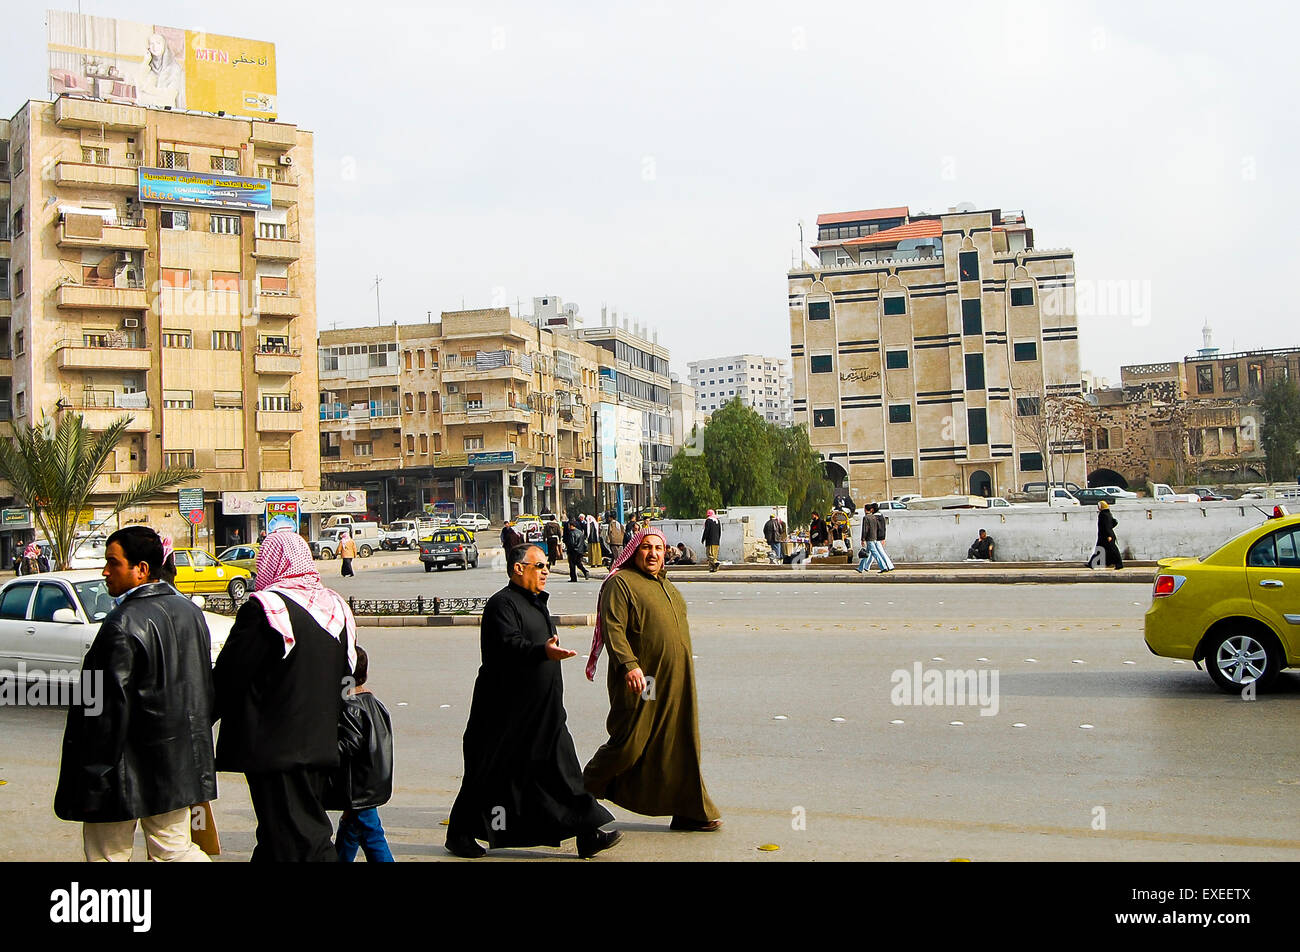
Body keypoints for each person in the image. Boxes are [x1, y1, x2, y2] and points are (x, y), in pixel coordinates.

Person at [446, 544, 621, 859]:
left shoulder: (535, 603)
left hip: (545, 711)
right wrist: (543, 651)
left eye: (547, 565)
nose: (545, 571)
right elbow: (508, 646)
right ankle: (459, 833)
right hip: (505, 713)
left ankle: (587, 834)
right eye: (539, 565)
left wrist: (548, 653)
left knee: (565, 771)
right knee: (487, 772)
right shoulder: (502, 605)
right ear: (518, 568)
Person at [54, 526, 216, 861]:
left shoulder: (122, 624)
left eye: (113, 563)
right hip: (178, 765)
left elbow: (102, 711)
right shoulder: (190, 612)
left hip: (123, 770)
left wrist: (93, 774)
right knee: (174, 850)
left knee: (107, 854)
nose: (105, 571)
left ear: (141, 570)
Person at [213, 530, 357, 862]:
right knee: (278, 837)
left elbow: (230, 676)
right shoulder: (335, 608)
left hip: (275, 750)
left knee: (303, 841)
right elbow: (346, 678)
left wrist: (194, 721)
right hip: (321, 745)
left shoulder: (267, 608)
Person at [583, 528, 722, 832]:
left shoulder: (665, 584)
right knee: (630, 742)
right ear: (634, 550)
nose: (653, 554)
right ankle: (578, 791)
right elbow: (614, 628)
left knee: (680, 742)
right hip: (643, 682)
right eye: (646, 547)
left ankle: (690, 811)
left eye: (659, 548)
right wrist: (630, 665)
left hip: (676, 681)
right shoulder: (621, 583)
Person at [328, 645, 395, 863]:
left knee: (372, 833)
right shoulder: (375, 703)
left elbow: (350, 744)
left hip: (358, 787)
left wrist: (323, 750)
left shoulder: (349, 707)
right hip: (373, 782)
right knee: (351, 827)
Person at [856, 503, 895, 574]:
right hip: (875, 537)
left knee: (875, 553)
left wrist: (863, 539)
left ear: (865, 509)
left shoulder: (866, 518)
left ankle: (883, 567)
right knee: (867, 553)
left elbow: (865, 529)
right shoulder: (874, 517)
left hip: (869, 538)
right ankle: (861, 568)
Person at [1092, 501, 1124, 570]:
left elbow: (1106, 526)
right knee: (1100, 549)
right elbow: (1114, 522)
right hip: (1105, 535)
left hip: (1106, 536)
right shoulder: (1108, 514)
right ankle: (1092, 563)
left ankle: (1119, 564)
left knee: (1112, 550)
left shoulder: (1103, 515)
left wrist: (1109, 535)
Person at [564, 517, 590, 581]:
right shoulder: (580, 532)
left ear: (571, 526)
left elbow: (572, 543)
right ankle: (585, 571)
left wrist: (568, 549)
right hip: (580, 551)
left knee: (572, 564)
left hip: (573, 551)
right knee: (578, 563)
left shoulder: (571, 533)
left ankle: (573, 577)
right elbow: (583, 542)